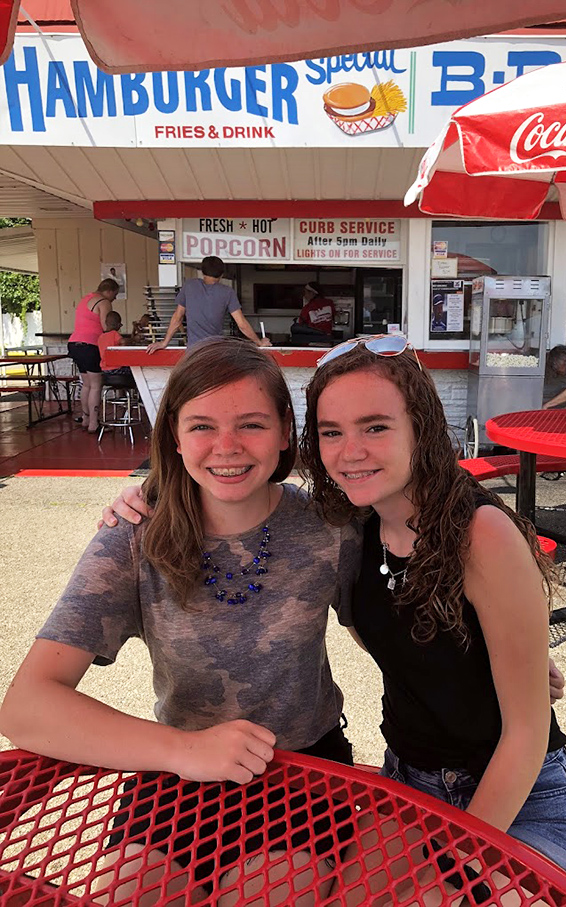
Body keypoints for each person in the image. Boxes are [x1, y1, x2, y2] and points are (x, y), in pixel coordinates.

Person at [0, 337, 360, 906]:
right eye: (200, 426)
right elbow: (26, 707)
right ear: (173, 435)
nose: (227, 447)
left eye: (251, 424)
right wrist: (183, 752)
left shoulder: (330, 527)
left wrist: (492, 653)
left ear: (286, 431)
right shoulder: (133, 536)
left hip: (303, 771)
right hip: (173, 771)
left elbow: (400, 621)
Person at [296, 335, 566, 884]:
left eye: (376, 426)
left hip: (517, 796)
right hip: (409, 785)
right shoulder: (355, 527)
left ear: (421, 429)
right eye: (331, 432)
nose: (349, 451)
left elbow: (525, 735)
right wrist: (146, 498)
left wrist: (453, 867)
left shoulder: (481, 533)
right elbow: (388, 637)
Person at [147, 256, 272, 353]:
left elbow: (177, 317)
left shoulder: (190, 286)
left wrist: (164, 342)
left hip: (193, 352)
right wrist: (259, 342)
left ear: (202, 272)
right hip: (214, 351)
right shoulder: (227, 292)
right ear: (221, 275)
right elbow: (242, 324)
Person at [67, 278, 119, 433]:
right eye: (114, 295)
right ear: (108, 291)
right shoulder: (103, 302)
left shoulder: (86, 299)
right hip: (90, 345)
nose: (114, 299)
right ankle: (94, 424)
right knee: (96, 384)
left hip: (74, 344)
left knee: (87, 384)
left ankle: (86, 419)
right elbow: (106, 327)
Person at [98, 311, 133, 381]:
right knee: (136, 372)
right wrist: (134, 339)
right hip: (116, 369)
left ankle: (121, 391)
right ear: (118, 325)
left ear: (106, 323)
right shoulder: (114, 334)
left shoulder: (101, 337)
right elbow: (123, 341)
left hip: (104, 371)